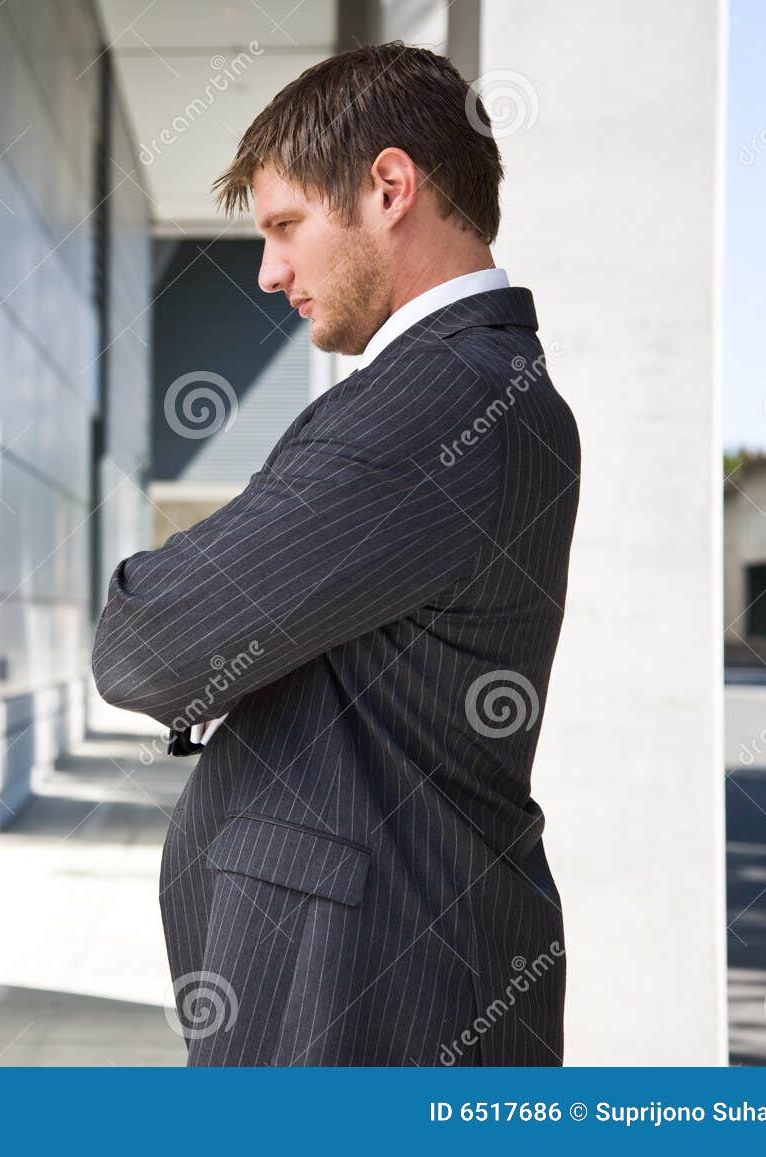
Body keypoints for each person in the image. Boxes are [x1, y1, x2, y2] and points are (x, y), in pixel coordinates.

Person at [91, 43, 579, 1065]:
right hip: (401, 971)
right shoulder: (481, 385)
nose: (269, 272)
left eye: (284, 227)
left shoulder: (432, 398)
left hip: (356, 999)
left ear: (389, 188)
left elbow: (147, 643)